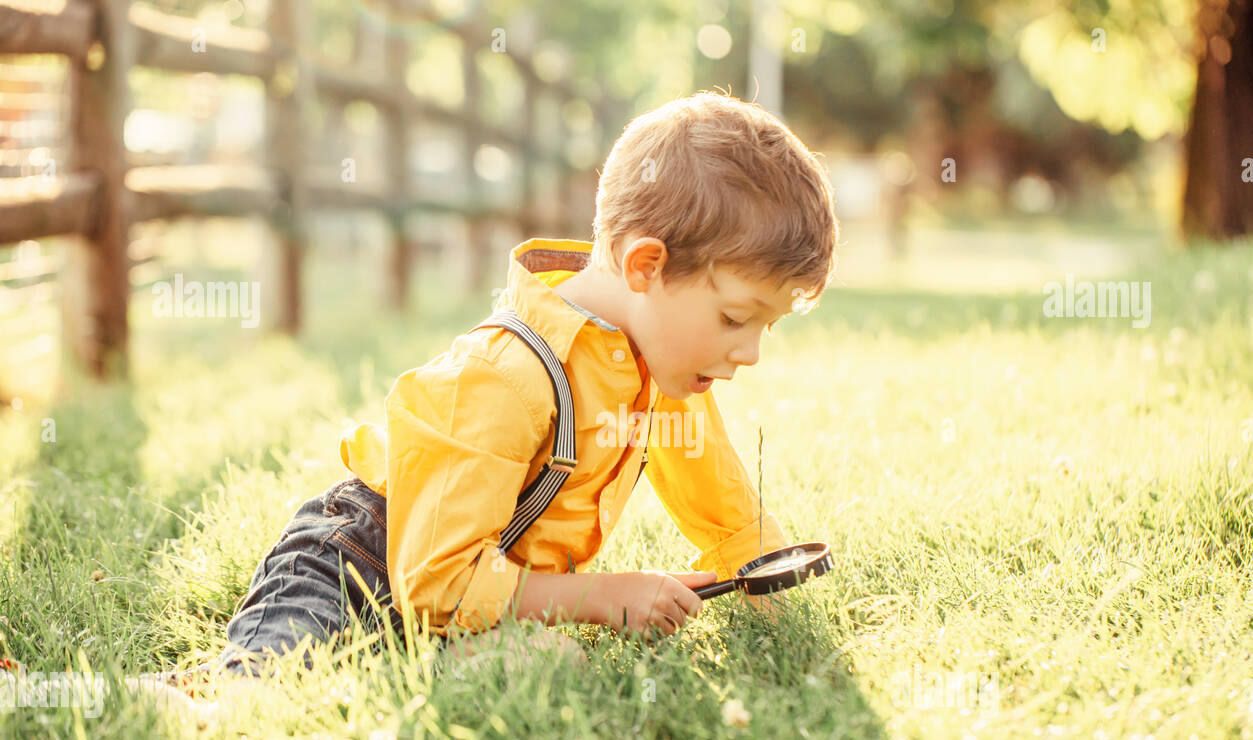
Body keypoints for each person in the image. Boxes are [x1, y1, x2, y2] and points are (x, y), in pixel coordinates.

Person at [209, 90, 840, 680]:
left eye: (766, 327)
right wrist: (602, 595)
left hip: (474, 591)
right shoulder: (508, 374)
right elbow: (436, 579)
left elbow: (727, 515)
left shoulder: (665, 379)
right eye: (734, 318)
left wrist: (770, 584)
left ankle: (430, 663)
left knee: (549, 659)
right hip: (357, 563)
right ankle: (175, 700)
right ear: (647, 266)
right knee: (266, 688)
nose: (750, 352)